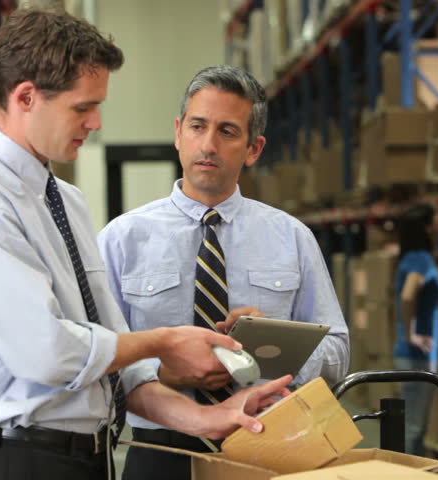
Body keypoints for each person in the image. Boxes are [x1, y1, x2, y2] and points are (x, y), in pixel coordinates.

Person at [0, 9, 291, 480]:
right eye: (82, 107)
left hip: (86, 460)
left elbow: (113, 361)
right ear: (26, 97)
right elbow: (48, 353)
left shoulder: (65, 201)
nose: (95, 122)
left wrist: (208, 417)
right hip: (15, 461)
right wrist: (163, 341)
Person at [97, 65, 349, 480]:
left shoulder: (292, 238)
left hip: (269, 443)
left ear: (254, 149)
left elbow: (338, 354)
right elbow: (97, 353)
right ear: (178, 132)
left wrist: (279, 345)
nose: (208, 144)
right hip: (159, 450)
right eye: (198, 126)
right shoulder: (122, 240)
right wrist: (161, 371)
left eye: (228, 132)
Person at [393, 203, 438, 456]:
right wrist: (411, 333)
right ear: (426, 227)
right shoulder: (420, 259)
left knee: (413, 425)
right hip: (415, 353)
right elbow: (407, 295)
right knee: (413, 427)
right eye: (437, 217)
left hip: (413, 353)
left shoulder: (413, 257)